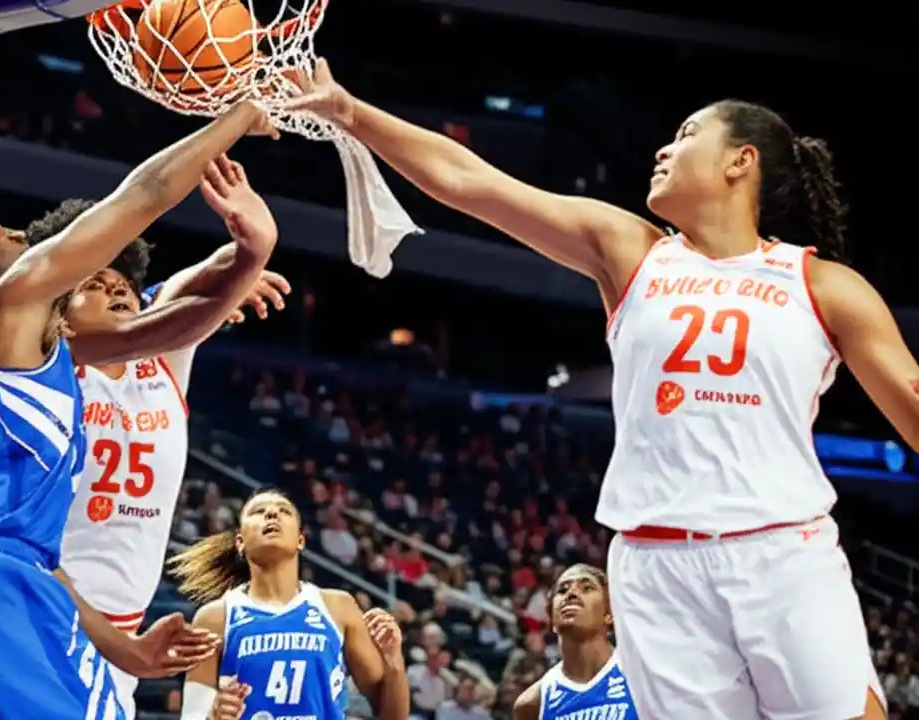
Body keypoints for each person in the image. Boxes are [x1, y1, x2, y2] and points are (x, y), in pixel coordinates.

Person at [288, 63, 905, 719]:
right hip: (657, 566)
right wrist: (352, 113)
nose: (664, 149)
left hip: (781, 550)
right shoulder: (632, 251)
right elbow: (474, 183)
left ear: (740, 161)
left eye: (688, 134)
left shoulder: (823, 284)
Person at [0, 100, 277, 720]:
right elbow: (142, 194)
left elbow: (149, 331)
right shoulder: (7, 302)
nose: (12, 231)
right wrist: (238, 116)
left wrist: (131, 653)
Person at [45, 156, 289, 720]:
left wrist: (245, 250)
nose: (117, 291)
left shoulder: (161, 361)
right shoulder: (45, 361)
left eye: (124, 285)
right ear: (57, 306)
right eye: (95, 283)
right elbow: (190, 301)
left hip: (125, 636)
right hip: (46, 608)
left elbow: (191, 286)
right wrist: (242, 266)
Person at [168, 488, 410, 720]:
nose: (272, 514)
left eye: (284, 511)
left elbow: (393, 716)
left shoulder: (338, 606)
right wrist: (214, 715)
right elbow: (192, 714)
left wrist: (394, 661)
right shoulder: (215, 617)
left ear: (301, 540)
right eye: (258, 511)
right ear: (240, 543)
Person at [513, 564, 637, 720]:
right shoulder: (532, 703)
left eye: (586, 588)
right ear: (551, 620)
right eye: (562, 590)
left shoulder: (640, 677)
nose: (571, 593)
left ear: (609, 613)